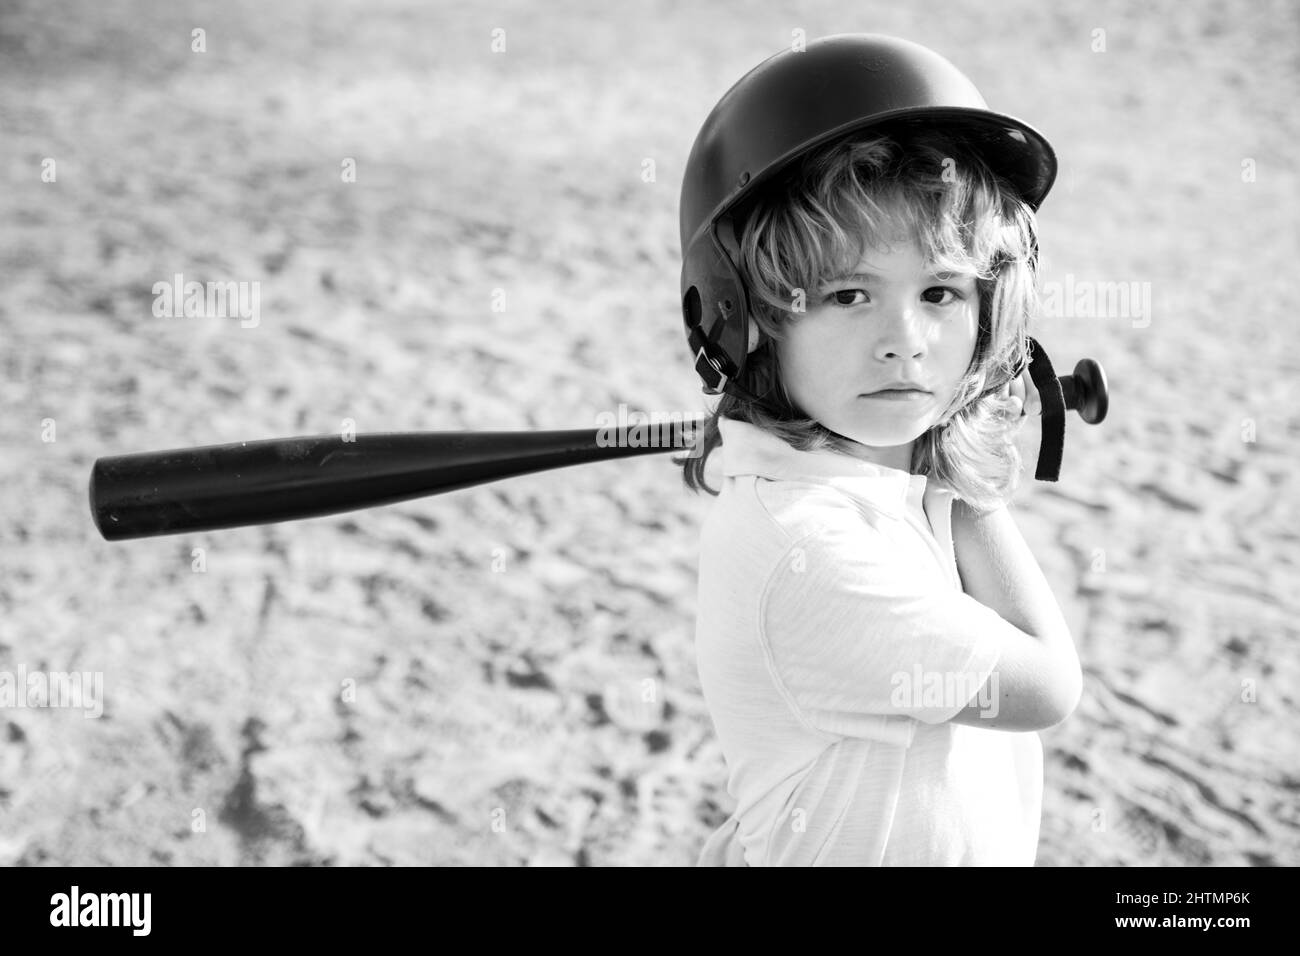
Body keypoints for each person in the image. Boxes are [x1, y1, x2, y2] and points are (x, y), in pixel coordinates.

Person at [675, 34, 1083, 866]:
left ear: (991, 310)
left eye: (941, 292)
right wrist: (969, 462)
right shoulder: (807, 550)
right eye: (848, 294)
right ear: (740, 318)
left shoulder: (868, 473)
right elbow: (1047, 686)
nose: (905, 342)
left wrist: (948, 435)